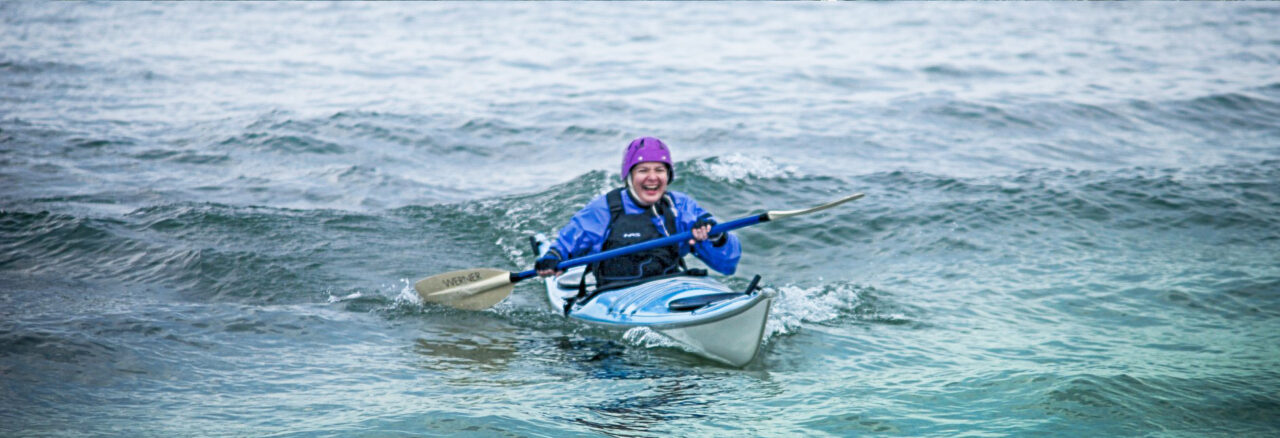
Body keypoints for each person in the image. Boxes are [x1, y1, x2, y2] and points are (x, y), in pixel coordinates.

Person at [535, 137, 740, 289]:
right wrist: (553, 257)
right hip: (615, 294)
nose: (652, 178)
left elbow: (727, 266)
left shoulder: (681, 207)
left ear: (668, 175)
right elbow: (567, 244)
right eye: (643, 170)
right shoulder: (604, 209)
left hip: (668, 289)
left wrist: (717, 237)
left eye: (659, 170)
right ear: (629, 176)